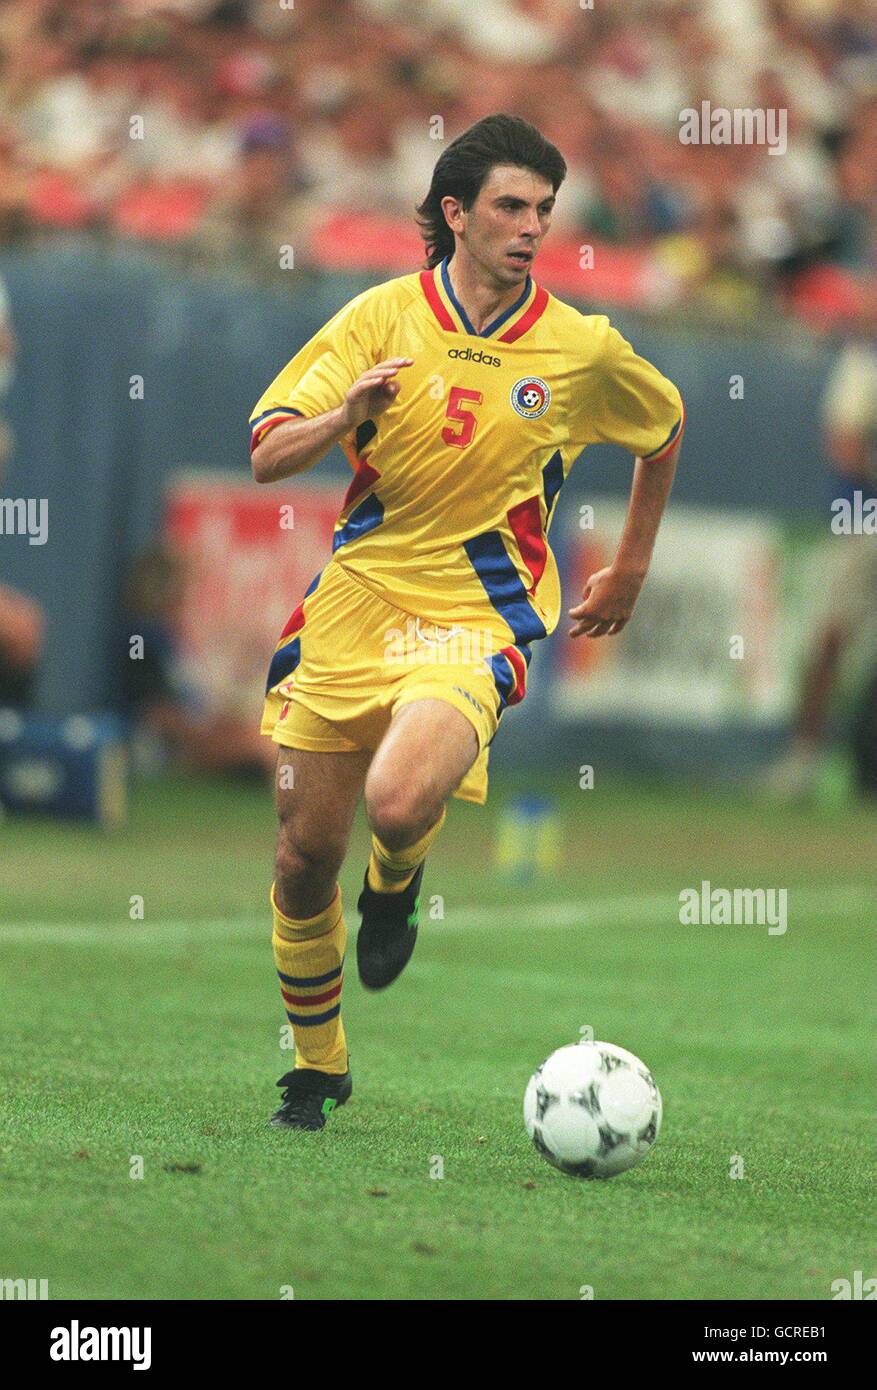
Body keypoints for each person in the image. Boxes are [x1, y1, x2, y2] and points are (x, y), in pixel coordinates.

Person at [249, 115, 685, 1130]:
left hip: (472, 617)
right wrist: (343, 414)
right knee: (301, 856)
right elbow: (270, 453)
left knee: (397, 803)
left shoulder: (579, 347)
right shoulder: (377, 318)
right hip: (353, 609)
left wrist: (629, 565)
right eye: (510, 206)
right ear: (454, 213)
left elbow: (662, 430)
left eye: (543, 209)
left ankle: (395, 883)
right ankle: (318, 1068)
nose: (532, 226)